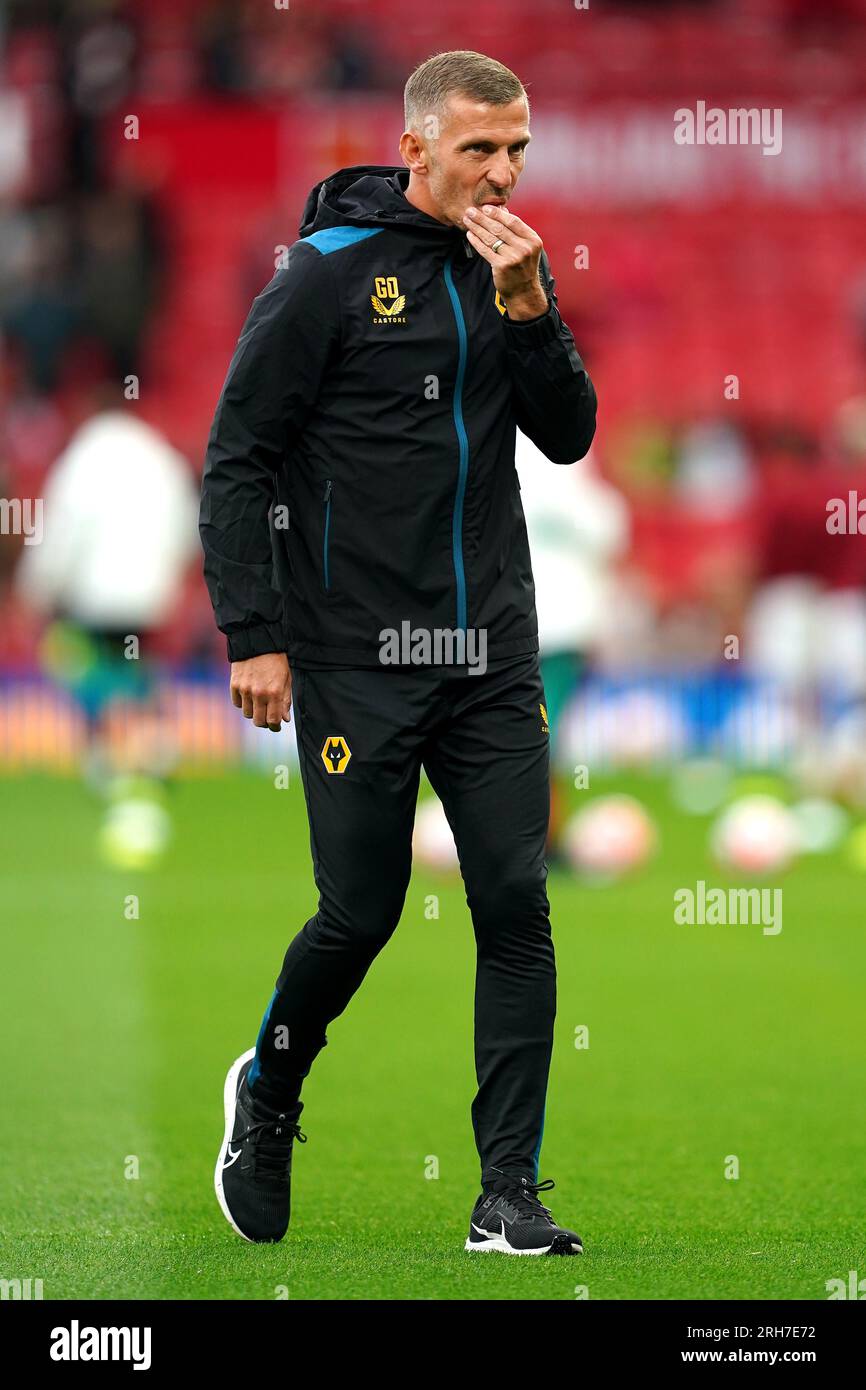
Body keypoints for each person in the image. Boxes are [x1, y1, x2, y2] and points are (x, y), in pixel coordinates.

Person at [200, 50, 597, 1255]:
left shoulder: (509, 267)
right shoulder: (323, 277)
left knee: (515, 903)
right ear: (415, 144)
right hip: (358, 656)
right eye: (480, 148)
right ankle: (267, 1094)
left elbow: (569, 436)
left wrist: (530, 310)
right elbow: (237, 459)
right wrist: (255, 634)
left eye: (518, 148)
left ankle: (506, 1193)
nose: (503, 171)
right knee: (359, 914)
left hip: (490, 652)